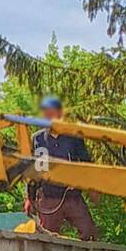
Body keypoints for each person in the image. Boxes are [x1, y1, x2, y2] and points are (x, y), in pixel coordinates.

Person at [25, 95, 99, 241]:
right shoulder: (37, 139)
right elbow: (34, 170)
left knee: (89, 233)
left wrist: (93, 188)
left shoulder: (74, 137)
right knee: (46, 239)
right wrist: (29, 198)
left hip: (72, 196)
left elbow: (86, 163)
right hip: (48, 197)